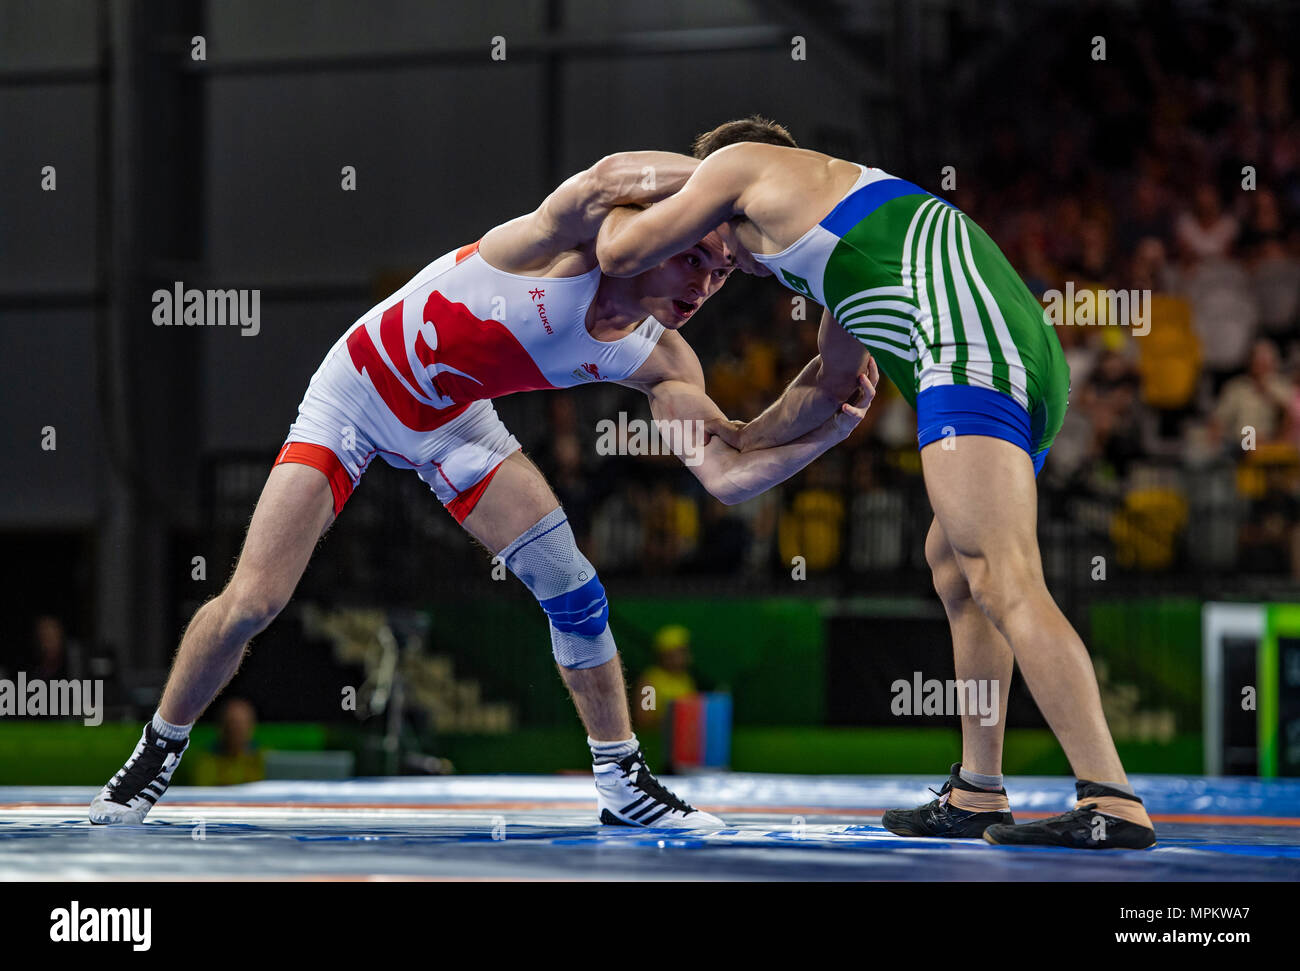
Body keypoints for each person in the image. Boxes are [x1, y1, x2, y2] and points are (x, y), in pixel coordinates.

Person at [90, 149, 875, 830]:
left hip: (455, 424)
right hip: (358, 391)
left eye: (722, 270)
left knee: (577, 593)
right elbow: (606, 180)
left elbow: (729, 470)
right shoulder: (564, 243)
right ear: (662, 230)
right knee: (254, 600)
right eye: (694, 256)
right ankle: (155, 750)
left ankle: (623, 783)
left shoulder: (663, 361)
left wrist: (827, 425)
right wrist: (744, 182)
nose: (706, 284)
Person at [597, 116, 1155, 849]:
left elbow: (621, 247)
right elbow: (832, 383)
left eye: (710, 248)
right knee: (956, 566)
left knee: (1002, 574)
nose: (717, 269)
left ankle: (1110, 799)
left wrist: (611, 200)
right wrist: (737, 437)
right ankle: (978, 790)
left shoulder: (738, 165)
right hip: (1011, 351)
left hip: (971, 344)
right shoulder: (831, 230)